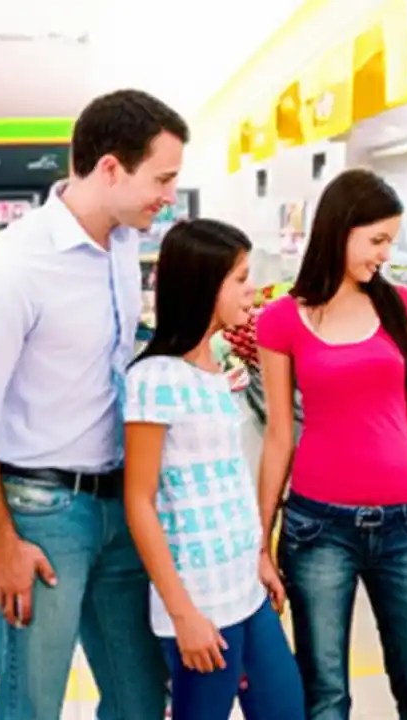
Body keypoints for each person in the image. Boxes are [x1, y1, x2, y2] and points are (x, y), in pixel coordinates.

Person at [0, 89, 185, 719]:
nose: (168, 195)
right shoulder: (12, 269)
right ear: (110, 168)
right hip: (39, 515)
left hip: (118, 504)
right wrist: (3, 542)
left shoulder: (125, 250)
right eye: (162, 178)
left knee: (139, 698)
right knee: (32, 702)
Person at [256, 168, 407, 720]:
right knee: (325, 697)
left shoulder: (401, 306)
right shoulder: (282, 319)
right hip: (317, 529)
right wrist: (260, 541)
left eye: (390, 242)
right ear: (341, 228)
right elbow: (280, 434)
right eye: (377, 240)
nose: (384, 254)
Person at [123, 219, 306, 720]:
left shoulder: (213, 370)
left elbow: (227, 478)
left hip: (244, 588)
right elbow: (139, 501)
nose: (252, 291)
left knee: (288, 708)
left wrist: (260, 557)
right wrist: (183, 614)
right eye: (241, 278)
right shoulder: (153, 378)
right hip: (201, 603)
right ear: (205, 285)